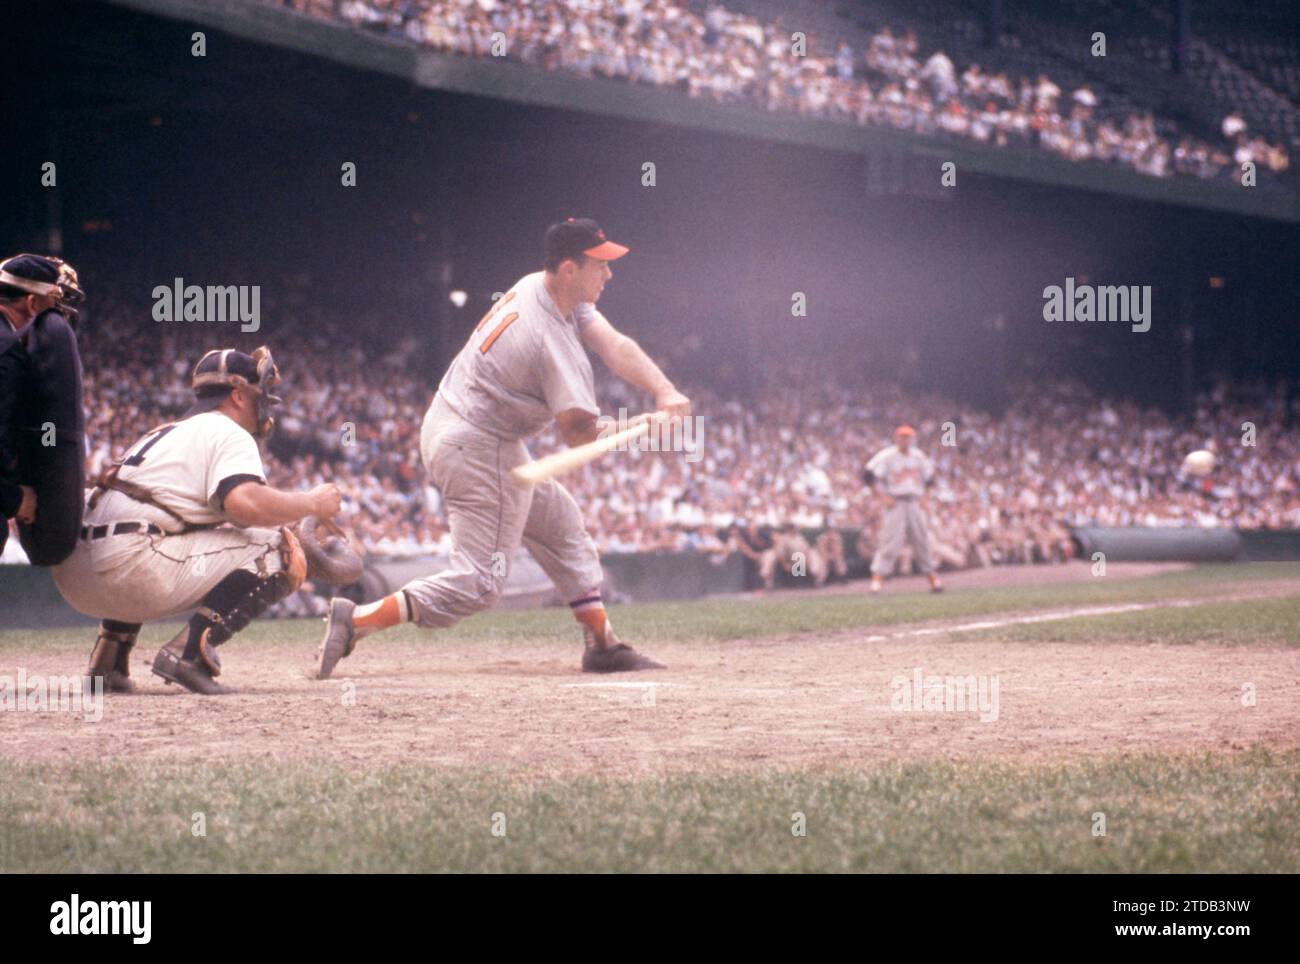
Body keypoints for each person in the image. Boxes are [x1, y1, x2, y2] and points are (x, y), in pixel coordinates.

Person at [315, 218, 689, 677]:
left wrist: (664, 391)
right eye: (600, 265)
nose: (609, 274)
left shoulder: (546, 285)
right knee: (479, 584)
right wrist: (640, 426)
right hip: (477, 443)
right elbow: (578, 434)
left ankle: (602, 643)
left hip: (468, 430)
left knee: (560, 523)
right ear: (570, 269)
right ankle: (355, 620)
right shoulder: (548, 336)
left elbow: (614, 345)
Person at [52, 347, 342, 694]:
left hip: (74, 575)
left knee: (155, 532)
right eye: (258, 392)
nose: (265, 401)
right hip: (128, 570)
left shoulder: (165, 433)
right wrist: (311, 502)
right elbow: (245, 505)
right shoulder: (228, 431)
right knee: (279, 547)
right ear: (237, 394)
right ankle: (188, 656)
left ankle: (108, 661)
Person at [0, 253, 88, 565]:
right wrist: (14, 498)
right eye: (55, 301)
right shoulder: (6, 348)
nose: (61, 312)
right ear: (32, 302)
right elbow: (46, 431)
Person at [863, 424, 943, 593]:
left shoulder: (918, 456)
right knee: (889, 540)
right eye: (902, 437)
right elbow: (868, 475)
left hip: (914, 500)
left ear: (913, 439)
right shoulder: (887, 456)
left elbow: (930, 479)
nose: (905, 440)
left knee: (921, 539)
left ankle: (933, 578)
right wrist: (882, 496)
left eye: (908, 437)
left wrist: (926, 498)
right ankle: (877, 580)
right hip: (896, 501)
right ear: (896, 438)